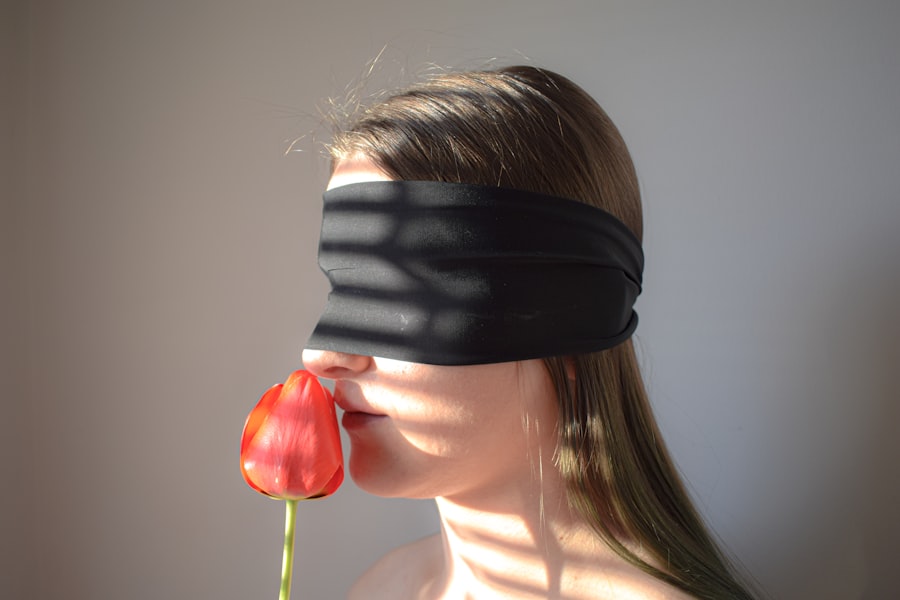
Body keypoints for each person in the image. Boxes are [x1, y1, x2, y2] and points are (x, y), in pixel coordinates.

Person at [301, 65, 758, 599]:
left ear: (571, 313)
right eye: (343, 288)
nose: (320, 354)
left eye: (396, 295)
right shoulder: (384, 588)